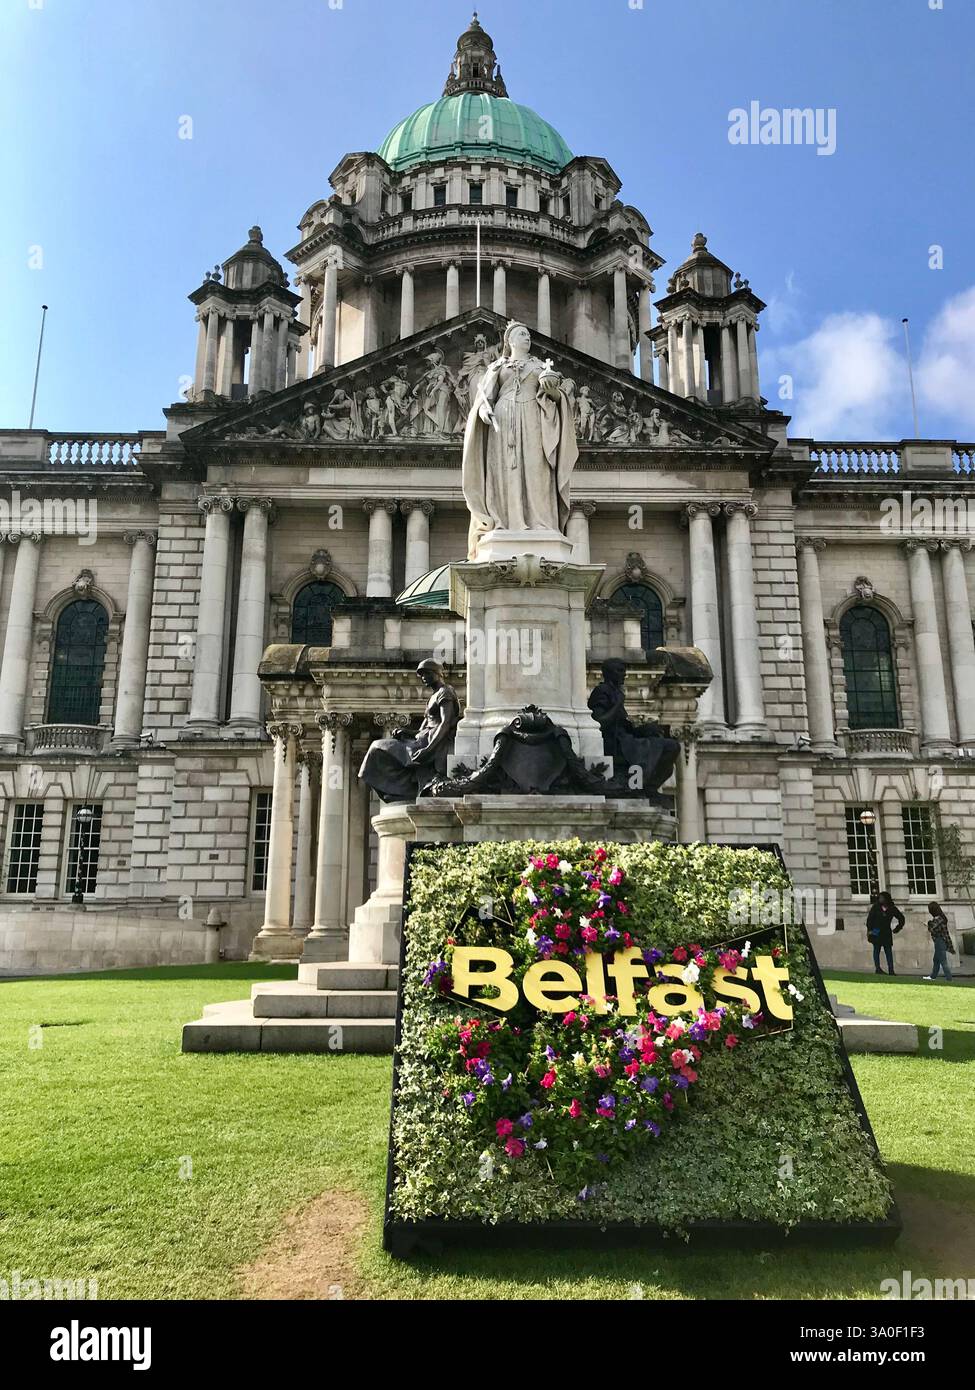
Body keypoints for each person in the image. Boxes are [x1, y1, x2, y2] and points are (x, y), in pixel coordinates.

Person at [461, 320, 578, 557]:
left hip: (534, 420)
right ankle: (505, 521)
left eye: (528, 334)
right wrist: (483, 411)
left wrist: (552, 388)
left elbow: (555, 397)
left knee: (537, 469)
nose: (527, 337)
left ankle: (541, 523)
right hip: (503, 423)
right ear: (510, 340)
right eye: (522, 334)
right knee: (505, 472)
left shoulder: (540, 365)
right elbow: (485, 397)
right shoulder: (496, 367)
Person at [358, 659, 460, 802]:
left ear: (437, 674)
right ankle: (397, 790)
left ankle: (400, 789)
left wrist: (429, 750)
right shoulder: (432, 697)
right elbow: (422, 729)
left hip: (432, 742)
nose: (423, 677)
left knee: (377, 748)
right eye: (421, 675)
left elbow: (445, 723)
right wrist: (406, 732)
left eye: (426, 673)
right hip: (423, 738)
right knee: (377, 749)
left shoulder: (445, 692)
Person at [587, 658, 680, 798]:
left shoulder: (616, 691)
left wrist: (645, 729)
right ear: (608, 673)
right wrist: (618, 704)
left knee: (672, 747)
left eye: (624, 671)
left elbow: (624, 726)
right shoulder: (602, 691)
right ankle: (649, 788)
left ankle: (649, 788)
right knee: (670, 747)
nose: (624, 674)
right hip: (615, 743)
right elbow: (599, 722)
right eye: (620, 671)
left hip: (625, 740)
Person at [865, 891, 905, 975]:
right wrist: (870, 930)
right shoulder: (876, 907)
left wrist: (897, 928)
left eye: (882, 898)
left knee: (888, 951)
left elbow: (901, 918)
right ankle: (878, 968)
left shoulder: (892, 908)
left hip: (886, 930)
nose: (880, 899)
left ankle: (891, 970)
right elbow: (870, 919)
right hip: (876, 930)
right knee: (876, 949)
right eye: (880, 898)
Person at [923, 902, 956, 982]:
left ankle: (949, 979)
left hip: (940, 941)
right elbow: (935, 928)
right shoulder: (940, 918)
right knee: (936, 960)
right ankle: (933, 976)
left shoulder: (939, 919)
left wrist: (927, 924)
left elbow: (932, 928)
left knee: (943, 961)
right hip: (940, 941)